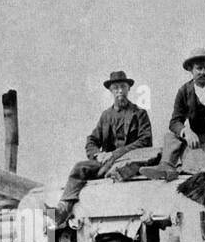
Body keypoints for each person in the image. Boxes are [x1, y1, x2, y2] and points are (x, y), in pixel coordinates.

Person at [56, 71, 152, 226]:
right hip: (106, 161)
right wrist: (97, 155)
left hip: (129, 160)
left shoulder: (139, 114)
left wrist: (116, 153)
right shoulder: (106, 116)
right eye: (116, 88)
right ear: (111, 91)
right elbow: (92, 140)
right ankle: (63, 208)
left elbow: (145, 141)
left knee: (116, 170)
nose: (119, 91)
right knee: (79, 168)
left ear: (128, 89)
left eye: (123, 87)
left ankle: (107, 171)